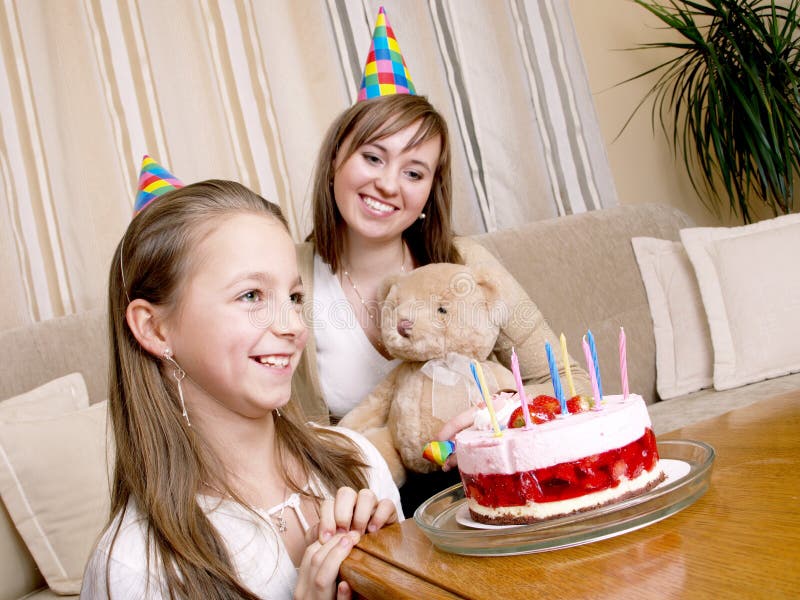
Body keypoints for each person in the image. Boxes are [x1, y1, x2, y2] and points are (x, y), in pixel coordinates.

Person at [291, 8, 591, 513]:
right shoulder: (289, 275)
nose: (388, 184)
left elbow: (570, 380)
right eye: (372, 157)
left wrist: (507, 408)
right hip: (366, 507)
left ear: (430, 191)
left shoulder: (467, 265)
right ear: (335, 161)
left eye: (414, 172)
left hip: (484, 492)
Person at [81, 175, 401, 600]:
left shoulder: (357, 462)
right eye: (251, 295)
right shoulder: (134, 567)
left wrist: (399, 570)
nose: (291, 327)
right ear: (154, 328)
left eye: (294, 297)